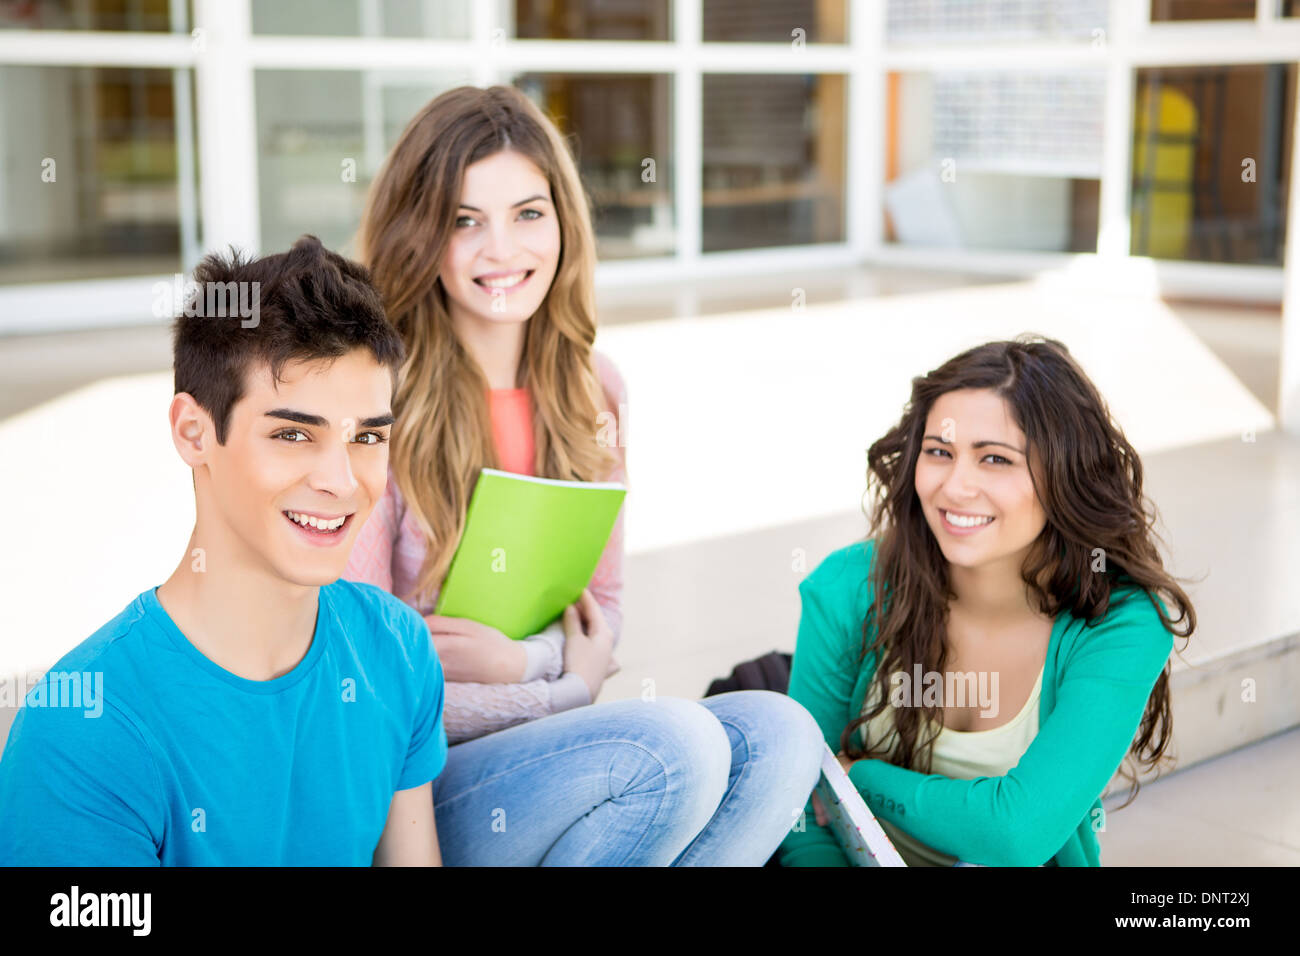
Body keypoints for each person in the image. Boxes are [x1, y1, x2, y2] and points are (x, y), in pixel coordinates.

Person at [345, 83, 822, 865]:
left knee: (782, 734)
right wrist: (554, 680)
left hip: (554, 749)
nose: (503, 251)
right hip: (422, 790)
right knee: (675, 749)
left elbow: (601, 607)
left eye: (528, 214)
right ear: (420, 235)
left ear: (564, 222)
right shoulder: (378, 402)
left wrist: (531, 665)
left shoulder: (593, 387)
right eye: (465, 221)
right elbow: (364, 673)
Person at [0, 236, 447, 865]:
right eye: (293, 433)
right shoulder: (80, 733)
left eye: (367, 436)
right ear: (193, 433)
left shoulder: (395, 650)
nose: (343, 481)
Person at [778, 336, 1195, 867]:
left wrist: (860, 777)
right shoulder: (848, 586)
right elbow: (795, 804)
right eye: (939, 453)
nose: (956, 487)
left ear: (1064, 474)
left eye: (995, 459)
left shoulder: (1122, 625)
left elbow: (1016, 833)